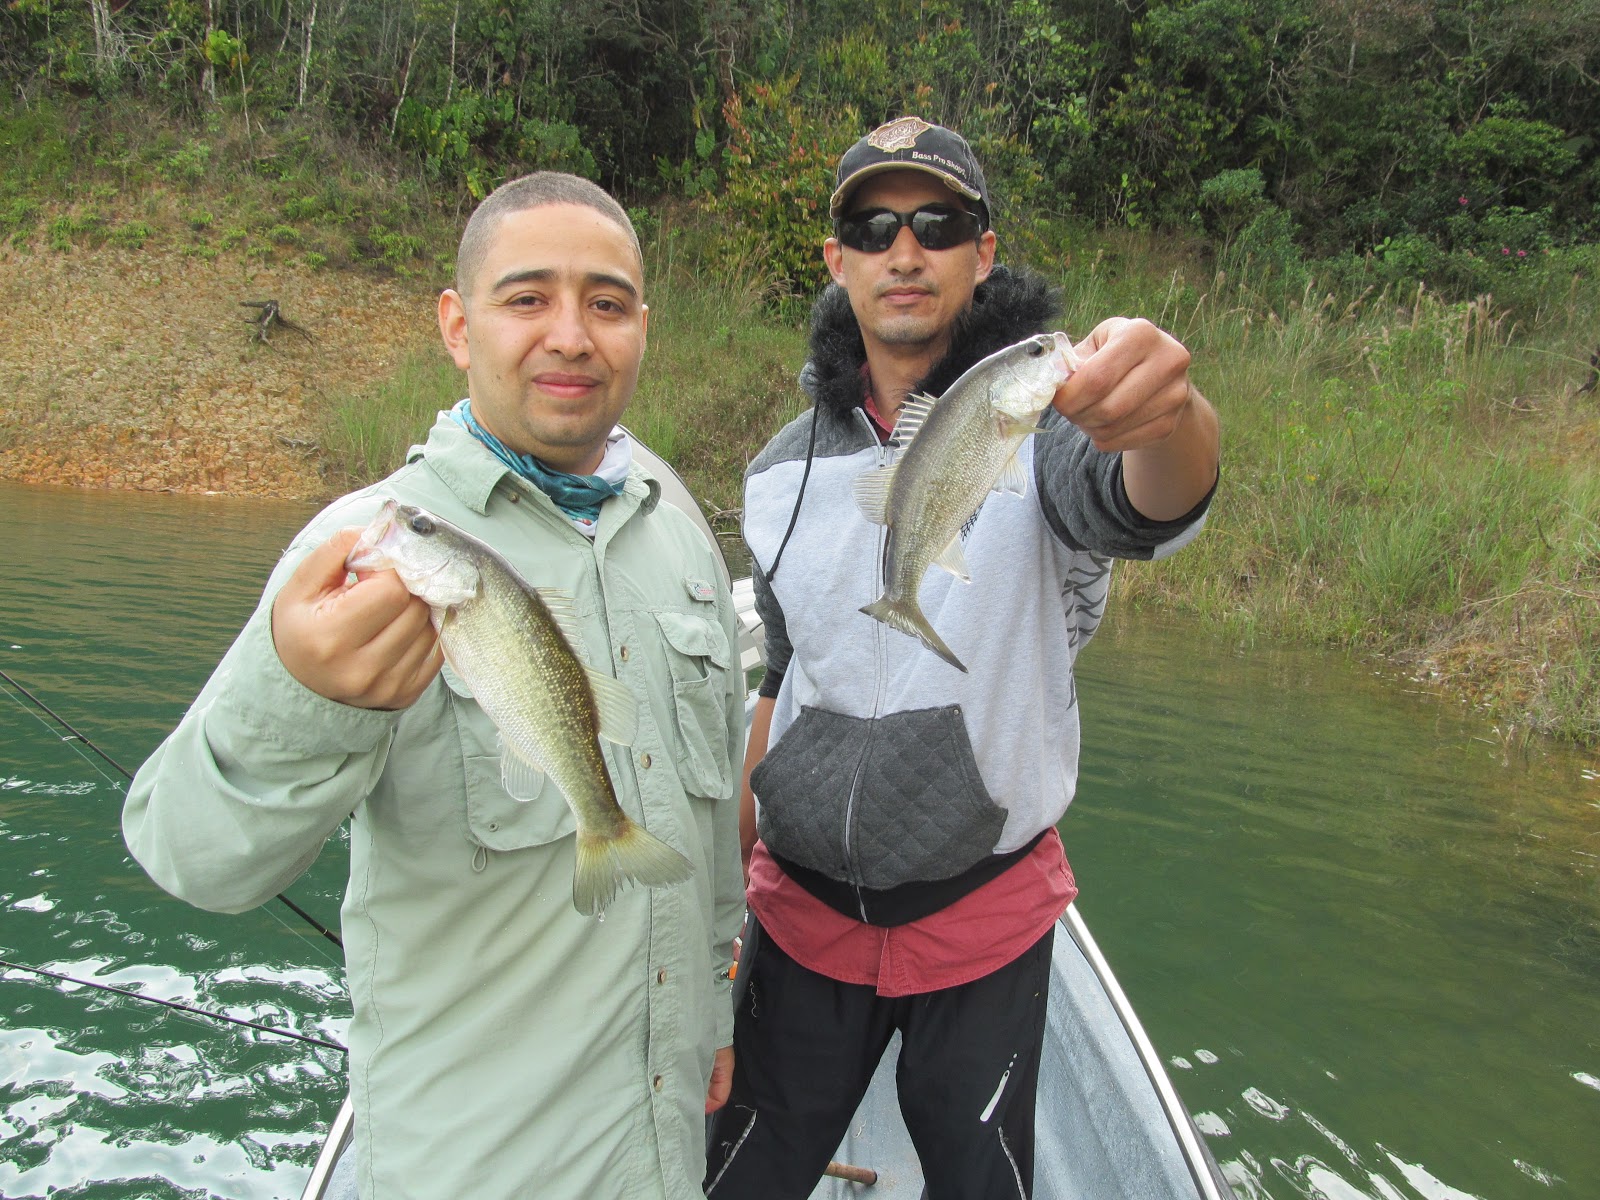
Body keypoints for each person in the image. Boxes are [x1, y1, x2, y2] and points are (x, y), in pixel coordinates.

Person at [123, 172, 745, 1200]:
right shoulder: (360, 554)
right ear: (457, 326)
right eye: (526, 297)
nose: (570, 336)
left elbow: (711, 823)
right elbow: (193, 859)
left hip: (665, 1146)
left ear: (642, 327)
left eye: (605, 302)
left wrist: (711, 1011)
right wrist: (308, 695)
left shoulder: (674, 529)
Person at [703, 117, 1220, 1198]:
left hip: (982, 926)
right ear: (835, 257)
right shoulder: (773, 475)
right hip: (794, 923)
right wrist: (713, 898)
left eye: (937, 224)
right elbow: (779, 681)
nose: (904, 250)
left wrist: (1170, 415)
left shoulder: (1045, 424)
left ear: (981, 253)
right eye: (872, 224)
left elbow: (1150, 494)